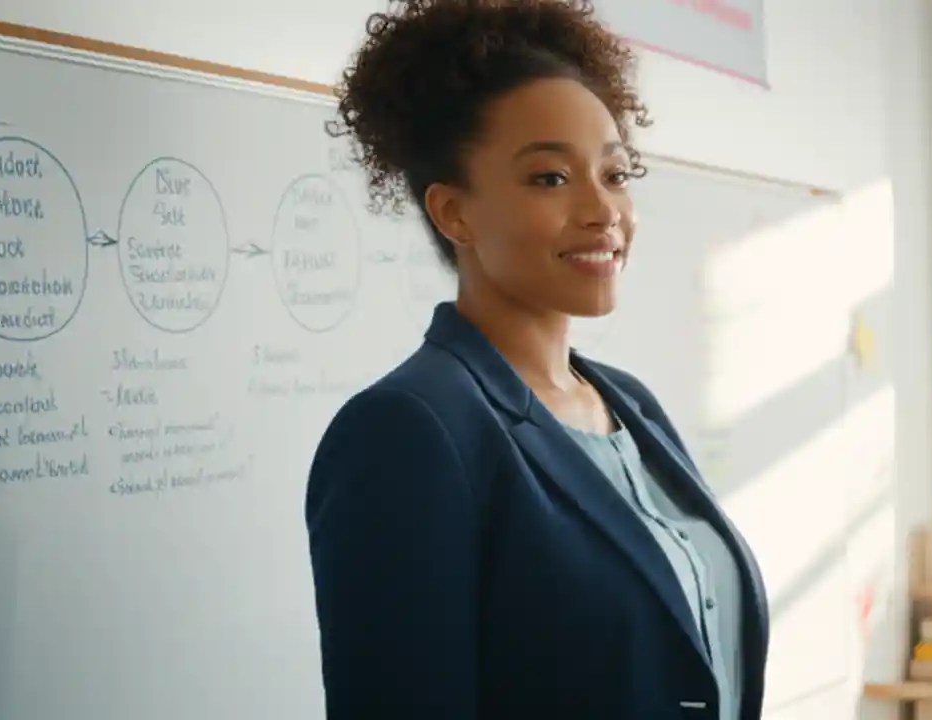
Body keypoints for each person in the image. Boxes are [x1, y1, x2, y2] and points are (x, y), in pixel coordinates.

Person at [304, 1, 769, 718]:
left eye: (615, 174)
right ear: (454, 213)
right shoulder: (409, 431)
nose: (602, 210)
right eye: (551, 178)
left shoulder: (631, 405)